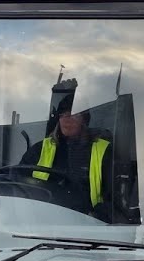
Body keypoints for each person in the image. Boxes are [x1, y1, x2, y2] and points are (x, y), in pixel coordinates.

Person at [19, 89, 117, 222]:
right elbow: (18, 184)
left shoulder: (104, 150)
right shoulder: (39, 149)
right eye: (62, 115)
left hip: (87, 224)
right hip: (43, 222)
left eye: (73, 114)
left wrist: (95, 217)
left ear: (84, 119)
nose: (66, 120)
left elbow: (117, 197)